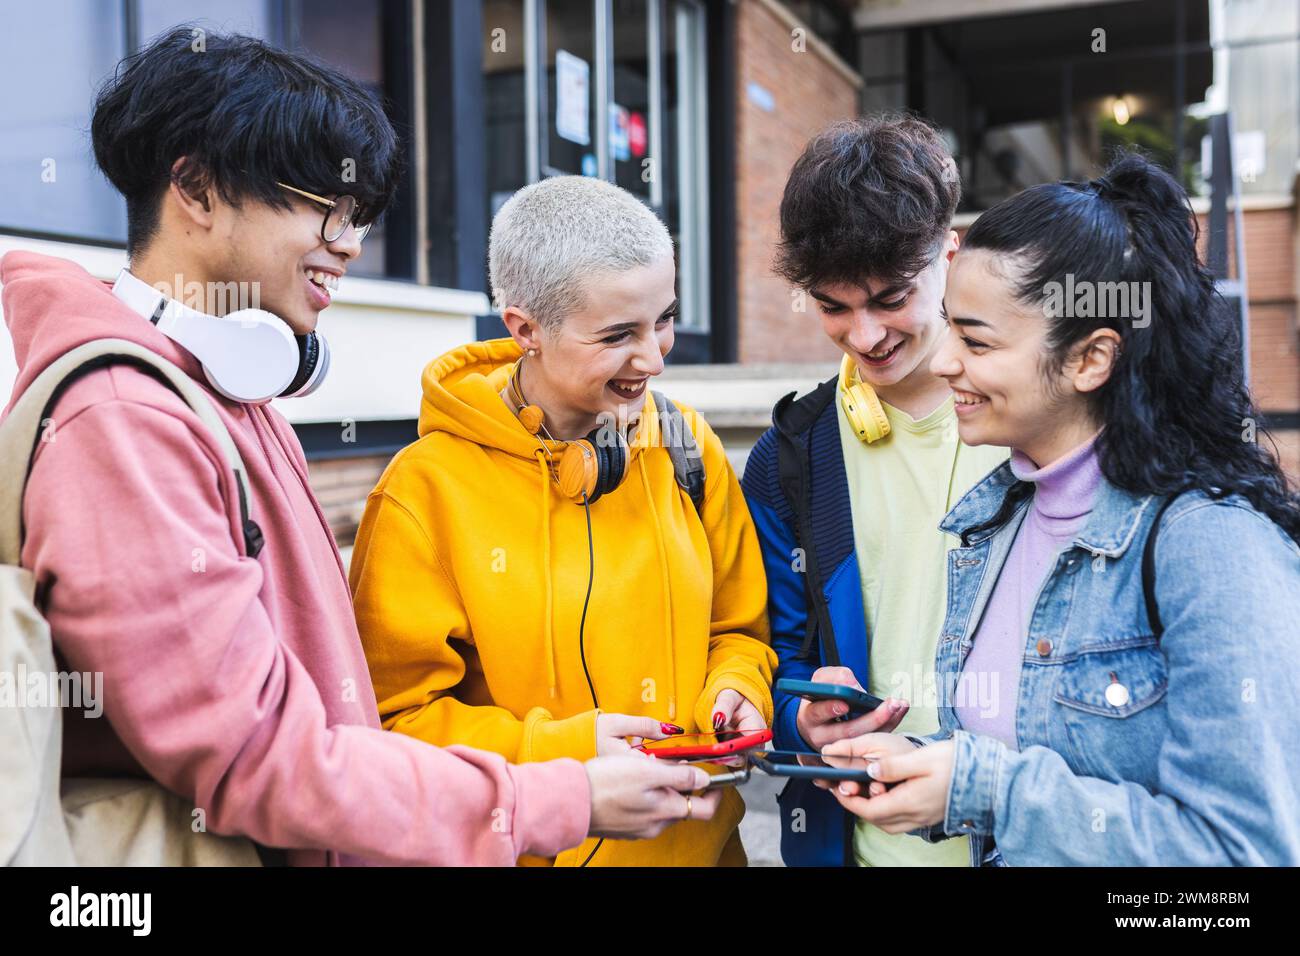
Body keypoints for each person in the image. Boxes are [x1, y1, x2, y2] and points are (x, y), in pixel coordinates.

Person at [1, 27, 718, 867]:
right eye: (321, 207)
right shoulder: (126, 423)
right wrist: (554, 792)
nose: (349, 243)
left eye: (359, 218)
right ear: (194, 189)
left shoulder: (223, 390)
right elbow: (252, 756)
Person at [827, 151, 1300, 866]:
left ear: (1090, 359)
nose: (946, 360)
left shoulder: (1212, 547)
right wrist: (924, 770)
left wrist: (982, 787)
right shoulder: (997, 523)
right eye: (951, 327)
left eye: (977, 340)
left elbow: (1243, 855)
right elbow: (1023, 750)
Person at [350, 174, 777, 866]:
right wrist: (569, 757)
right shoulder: (423, 491)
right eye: (618, 335)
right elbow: (395, 724)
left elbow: (738, 631)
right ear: (525, 329)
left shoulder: (686, 446)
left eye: (663, 319)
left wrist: (737, 690)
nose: (656, 357)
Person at [740, 115, 1007, 866]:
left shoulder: (1043, 423)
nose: (864, 336)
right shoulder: (787, 458)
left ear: (950, 252)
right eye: (833, 307)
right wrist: (800, 716)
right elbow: (766, 657)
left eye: (891, 298)